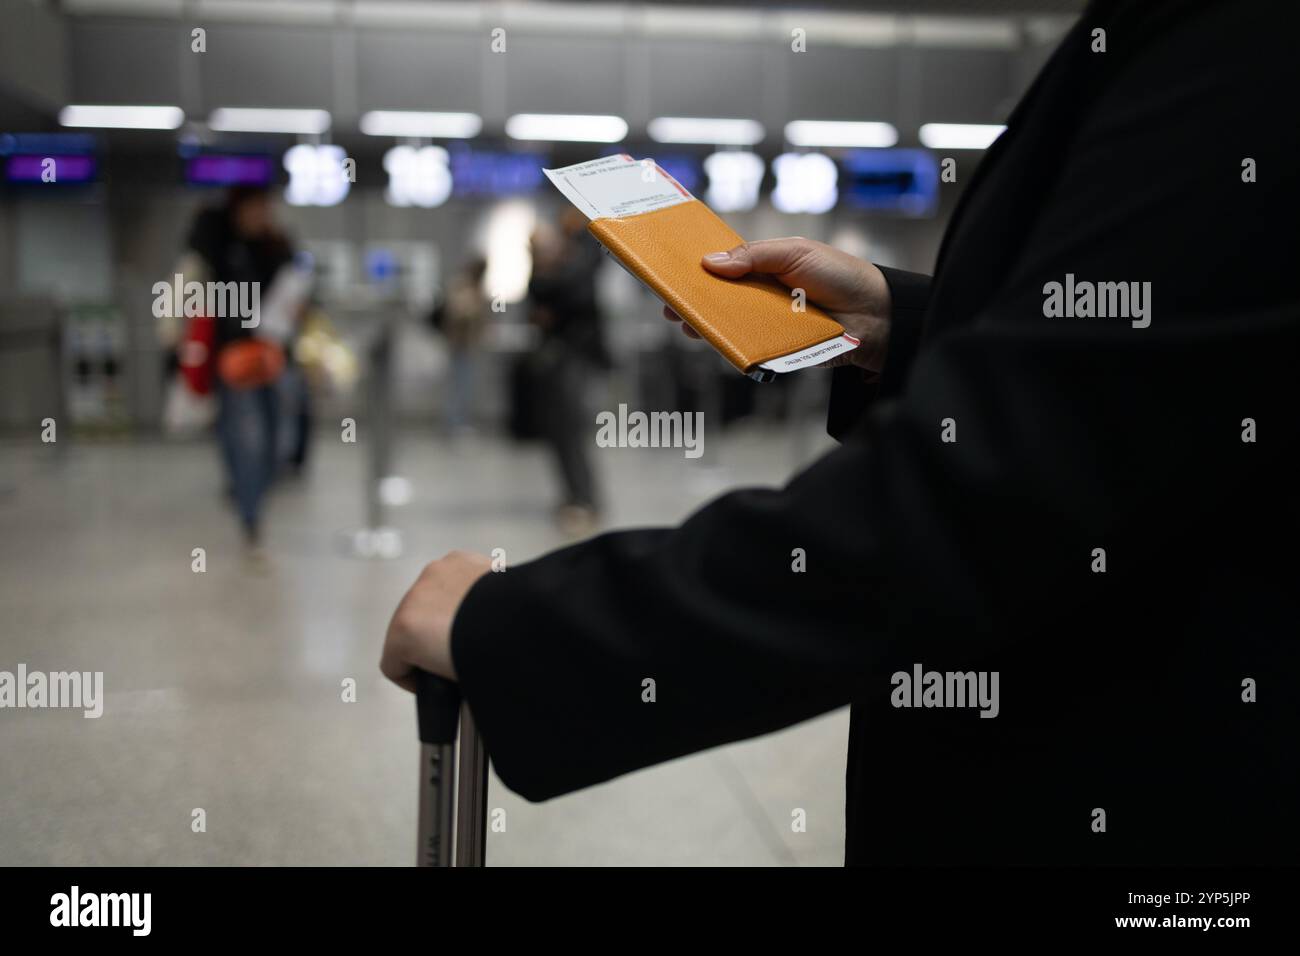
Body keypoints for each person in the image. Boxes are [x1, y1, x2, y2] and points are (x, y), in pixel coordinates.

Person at [381, 0, 1299, 864]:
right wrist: (898, 316)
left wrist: (527, 630)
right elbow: (1155, 378)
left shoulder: (1249, 40)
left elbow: (1002, 489)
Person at [185, 187, 296, 556]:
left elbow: (292, 294)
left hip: (271, 357)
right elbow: (196, 269)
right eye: (254, 209)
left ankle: (252, 492)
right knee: (244, 436)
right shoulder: (219, 247)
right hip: (233, 359)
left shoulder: (274, 250)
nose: (261, 216)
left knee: (272, 437)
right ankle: (249, 511)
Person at [525, 211, 610, 533]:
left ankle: (584, 499)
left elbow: (565, 293)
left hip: (578, 357)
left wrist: (549, 269)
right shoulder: (562, 258)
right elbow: (538, 295)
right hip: (560, 356)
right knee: (560, 432)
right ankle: (574, 495)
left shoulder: (586, 252)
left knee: (572, 430)